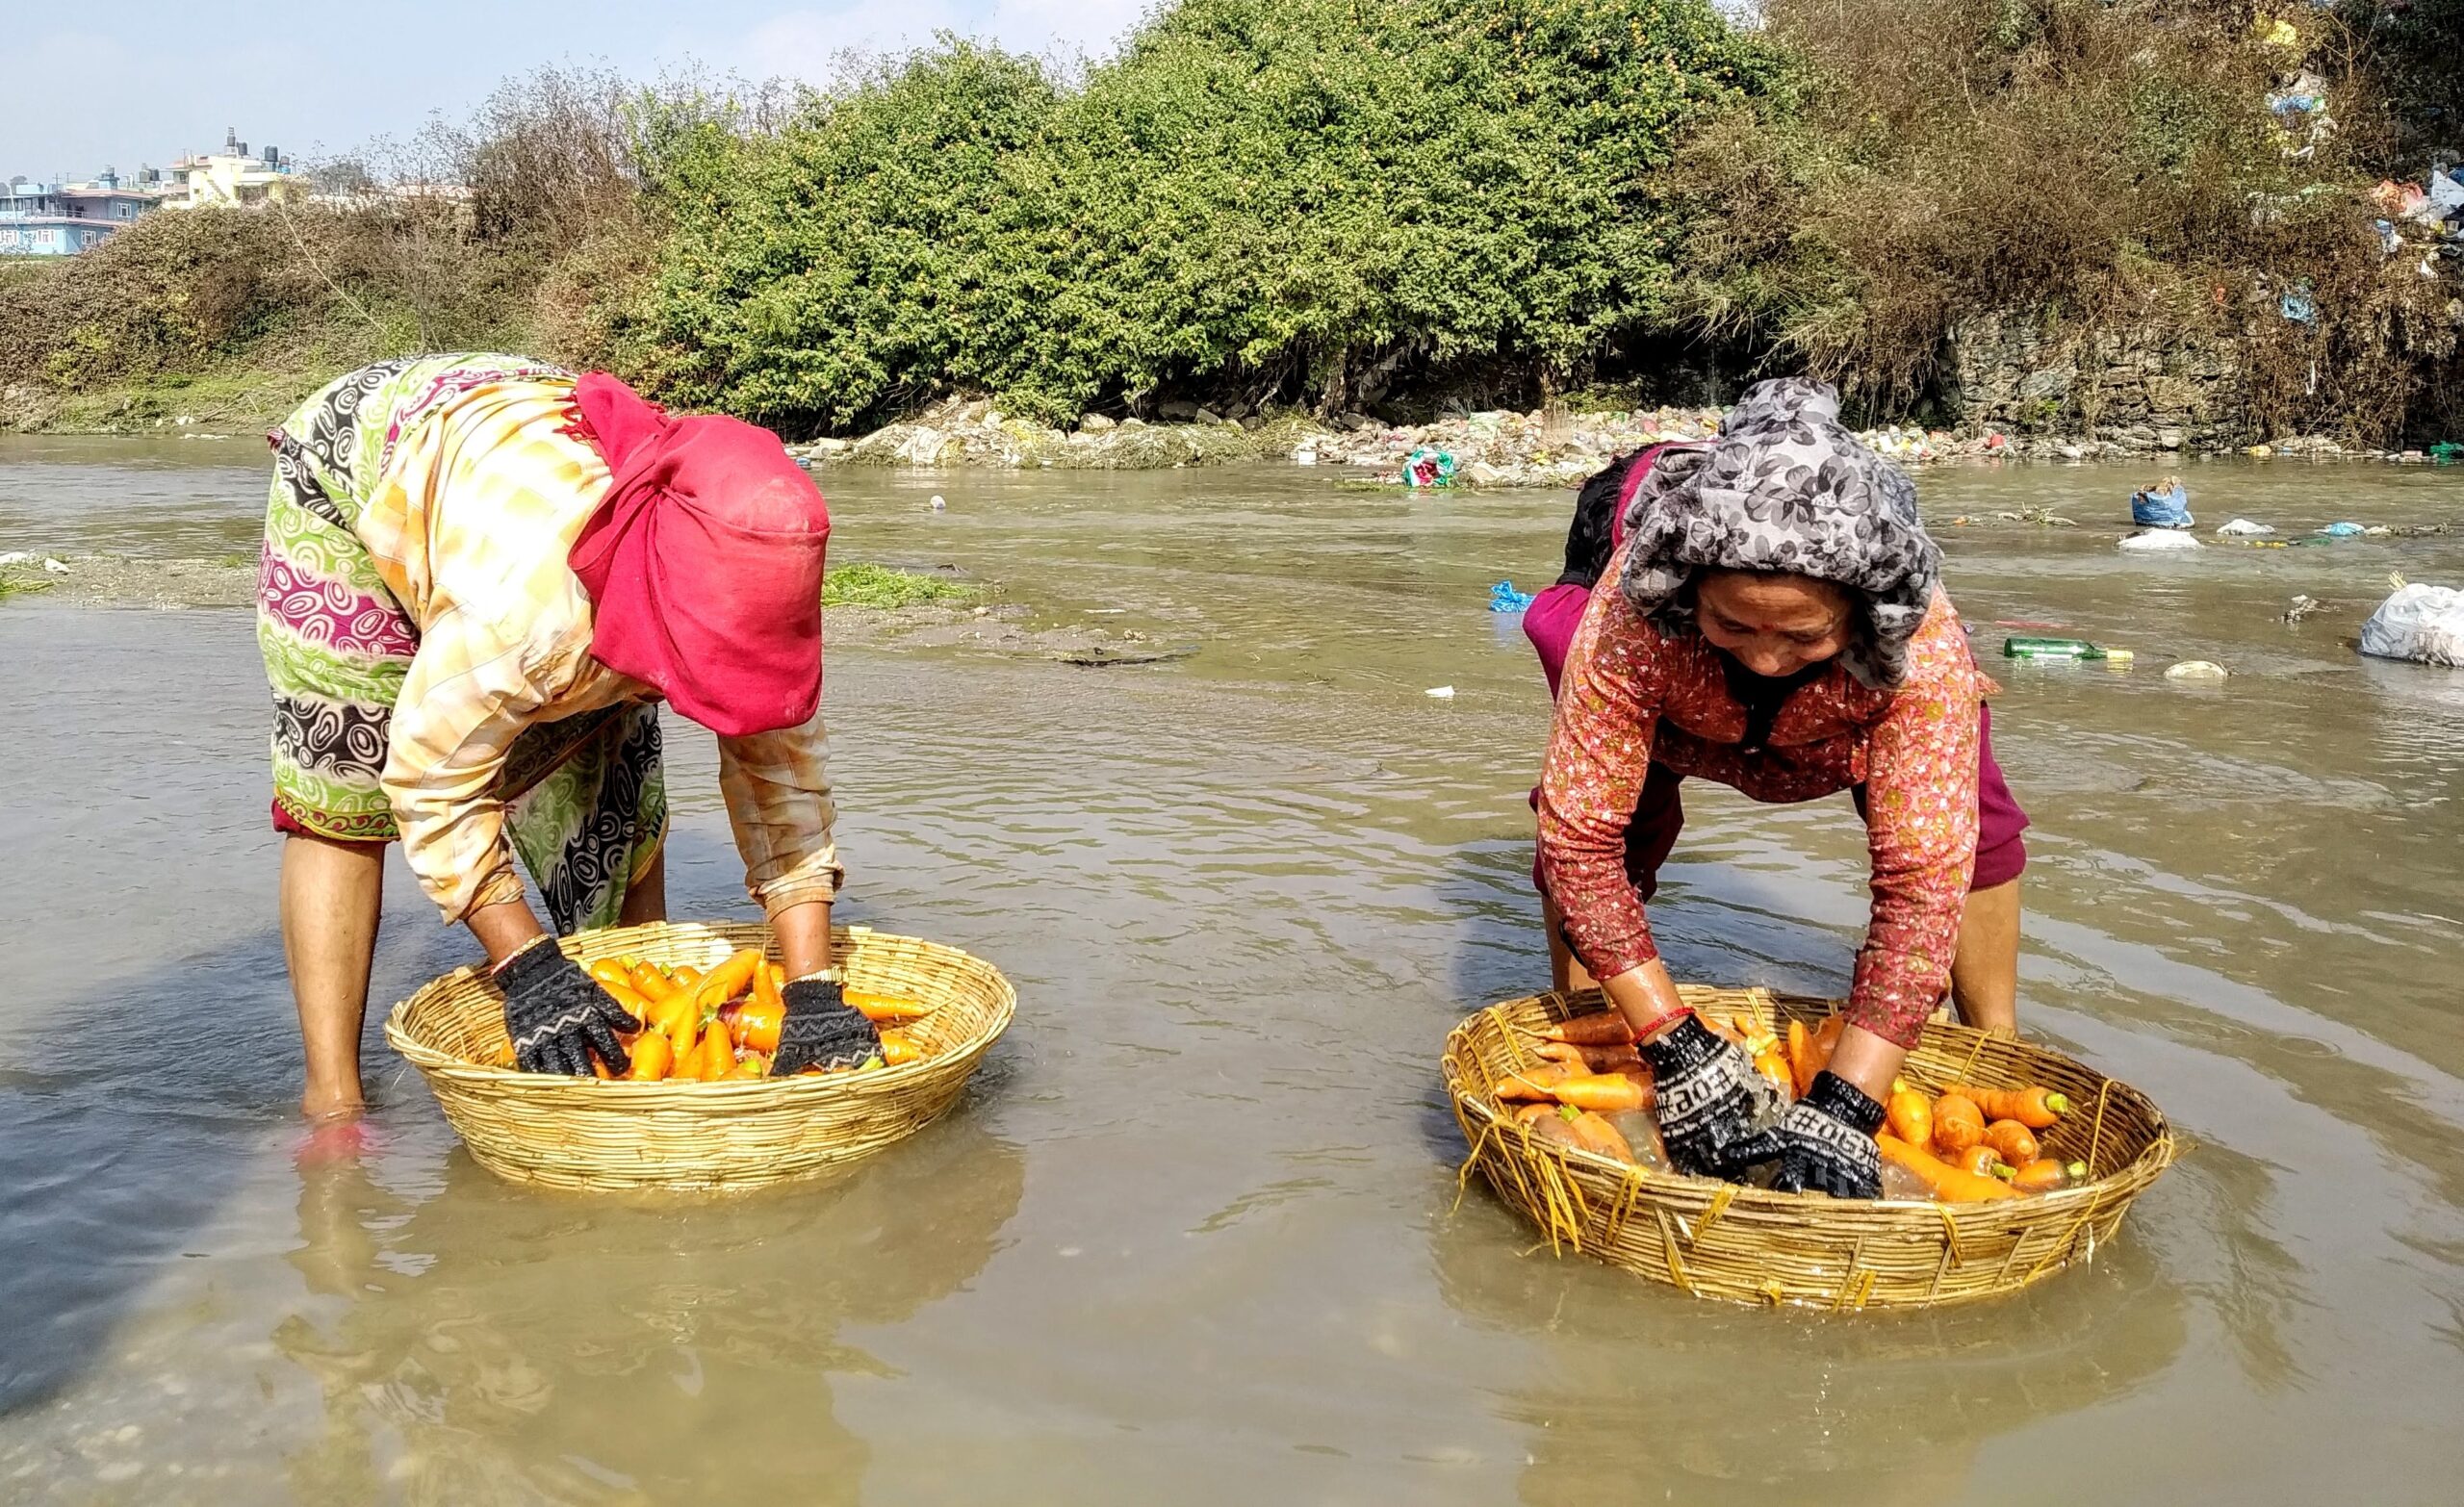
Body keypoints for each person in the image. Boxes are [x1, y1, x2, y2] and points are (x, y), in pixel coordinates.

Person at [260, 354, 883, 1124]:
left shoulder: (751, 586)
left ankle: (639, 1066)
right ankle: (333, 1104)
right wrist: (526, 964)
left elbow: (782, 784)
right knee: (346, 788)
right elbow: (427, 777)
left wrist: (812, 988)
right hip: (367, 460)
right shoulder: (527, 612)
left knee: (619, 798)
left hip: (525, 460)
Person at [1531, 378, 2030, 1200]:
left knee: (1971, 820)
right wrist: (1670, 1040)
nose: (1765, 658)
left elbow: (1919, 885)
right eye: (1735, 624)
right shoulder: (1632, 617)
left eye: (1801, 633)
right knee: (1609, 819)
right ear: (1689, 594)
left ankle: (1995, 1047)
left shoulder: (1920, 652)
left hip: (1849, 710)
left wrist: (1849, 1099)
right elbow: (1580, 841)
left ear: (1861, 614)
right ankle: (1592, 1027)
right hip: (1671, 701)